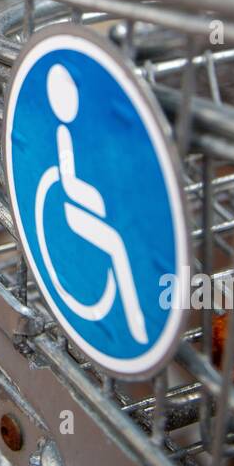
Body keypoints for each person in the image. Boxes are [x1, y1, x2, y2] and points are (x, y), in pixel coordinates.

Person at [43, 63, 148, 344]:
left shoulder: (82, 126)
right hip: (72, 210)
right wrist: (95, 197)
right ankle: (136, 318)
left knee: (124, 237)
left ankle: (137, 313)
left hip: (89, 204)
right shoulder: (62, 133)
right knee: (115, 243)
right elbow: (68, 182)